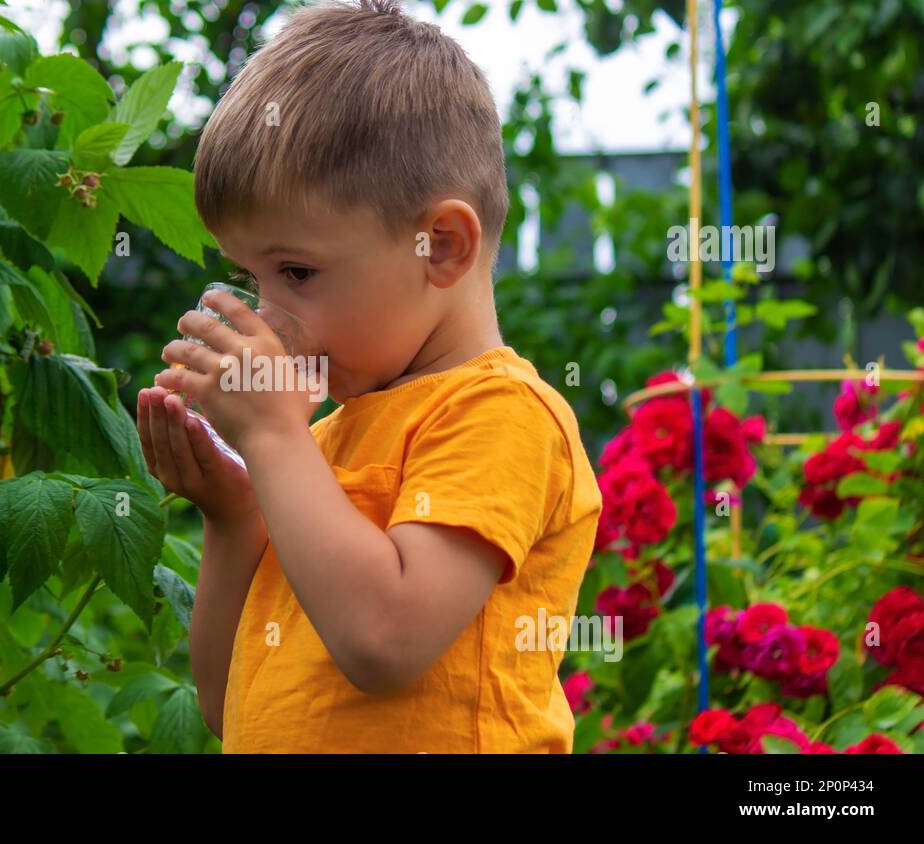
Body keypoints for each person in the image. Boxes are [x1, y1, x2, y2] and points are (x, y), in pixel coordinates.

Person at [136, 0, 601, 752]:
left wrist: (274, 439)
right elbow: (230, 704)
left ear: (441, 245)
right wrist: (235, 514)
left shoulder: (501, 412)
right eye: (250, 278)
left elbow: (384, 641)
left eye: (296, 271)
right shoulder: (318, 444)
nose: (268, 316)